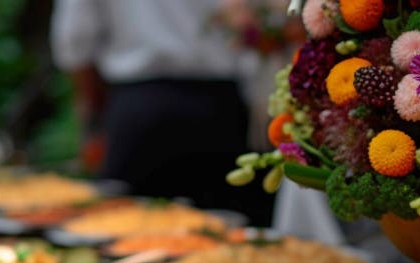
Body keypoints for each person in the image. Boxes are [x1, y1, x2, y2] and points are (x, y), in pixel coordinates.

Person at [49, 0, 276, 226]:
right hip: (218, 109)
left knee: (121, 230)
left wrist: (92, 118)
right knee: (229, 232)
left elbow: (75, 40)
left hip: (140, 110)